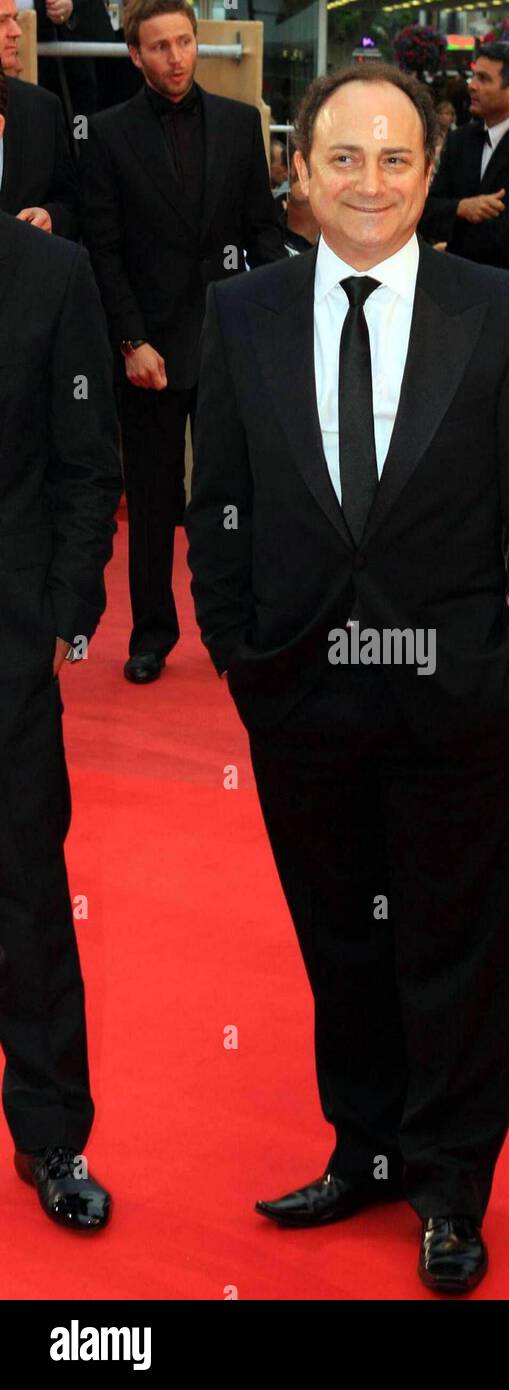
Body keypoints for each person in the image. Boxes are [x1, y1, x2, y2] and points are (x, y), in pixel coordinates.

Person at [186, 62, 509, 1295]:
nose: (370, 181)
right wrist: (246, 663)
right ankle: (363, 1149)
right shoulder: (243, 312)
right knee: (339, 942)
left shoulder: (497, 310)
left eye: (395, 158)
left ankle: (450, 1182)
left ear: (429, 171)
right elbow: (224, 505)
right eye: (343, 157)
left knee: (454, 947)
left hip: (451, 696)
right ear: (298, 174)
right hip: (300, 696)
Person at [78, 0, 286, 685]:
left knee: (232, 494)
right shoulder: (106, 135)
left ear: (198, 45)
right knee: (152, 497)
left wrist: (272, 317)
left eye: (184, 43)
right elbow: (102, 250)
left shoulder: (237, 124)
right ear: (135, 56)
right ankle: (150, 635)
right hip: (150, 349)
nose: (175, 57)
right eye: (159, 47)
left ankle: (237, 626)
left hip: (228, 339)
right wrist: (131, 340)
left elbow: (260, 229)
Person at [0, 204, 121, 1230]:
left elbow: (89, 461)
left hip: (7, 644)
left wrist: (63, 614)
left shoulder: (52, 272)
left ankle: (51, 1137)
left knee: (28, 898)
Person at [418, 42, 509, 274]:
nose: (472, 86)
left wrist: (452, 235)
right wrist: (462, 208)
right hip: (460, 282)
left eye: (483, 79)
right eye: (474, 76)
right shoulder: (460, 140)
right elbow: (426, 212)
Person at [0, 3, 78, 237]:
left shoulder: (42, 109)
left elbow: (72, 204)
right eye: (3, 21)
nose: (16, 31)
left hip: (25, 268)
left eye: (14, 19)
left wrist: (50, 217)